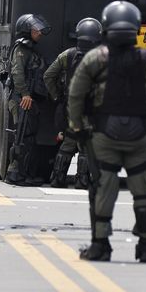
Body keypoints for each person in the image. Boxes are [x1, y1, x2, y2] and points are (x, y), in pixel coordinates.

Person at [67, 1, 146, 263]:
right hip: (141, 135)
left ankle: (100, 245)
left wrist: (77, 127)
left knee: (104, 186)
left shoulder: (95, 58)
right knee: (142, 189)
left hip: (104, 134)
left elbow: (76, 95)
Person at [44, 18, 103, 188]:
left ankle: (57, 178)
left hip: (70, 106)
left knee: (69, 141)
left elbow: (48, 76)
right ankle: (82, 180)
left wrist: (57, 96)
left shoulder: (67, 55)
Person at [4, 13, 51, 186]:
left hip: (27, 97)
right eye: (35, 30)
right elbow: (17, 72)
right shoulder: (21, 49)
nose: (39, 33)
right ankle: (15, 174)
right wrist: (24, 93)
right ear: (26, 30)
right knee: (22, 136)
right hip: (21, 98)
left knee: (28, 136)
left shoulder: (30, 49)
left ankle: (22, 173)